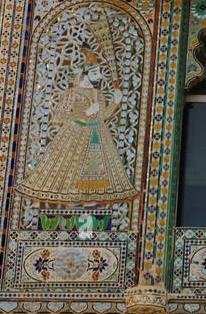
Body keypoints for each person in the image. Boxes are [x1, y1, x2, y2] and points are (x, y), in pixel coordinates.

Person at [19, 46, 136, 202]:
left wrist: (115, 103)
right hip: (75, 134)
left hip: (97, 133)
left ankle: (93, 196)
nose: (99, 77)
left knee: (98, 169)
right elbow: (60, 116)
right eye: (95, 73)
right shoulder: (72, 93)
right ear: (84, 74)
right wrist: (84, 114)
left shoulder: (98, 93)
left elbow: (102, 116)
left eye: (99, 73)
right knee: (69, 169)